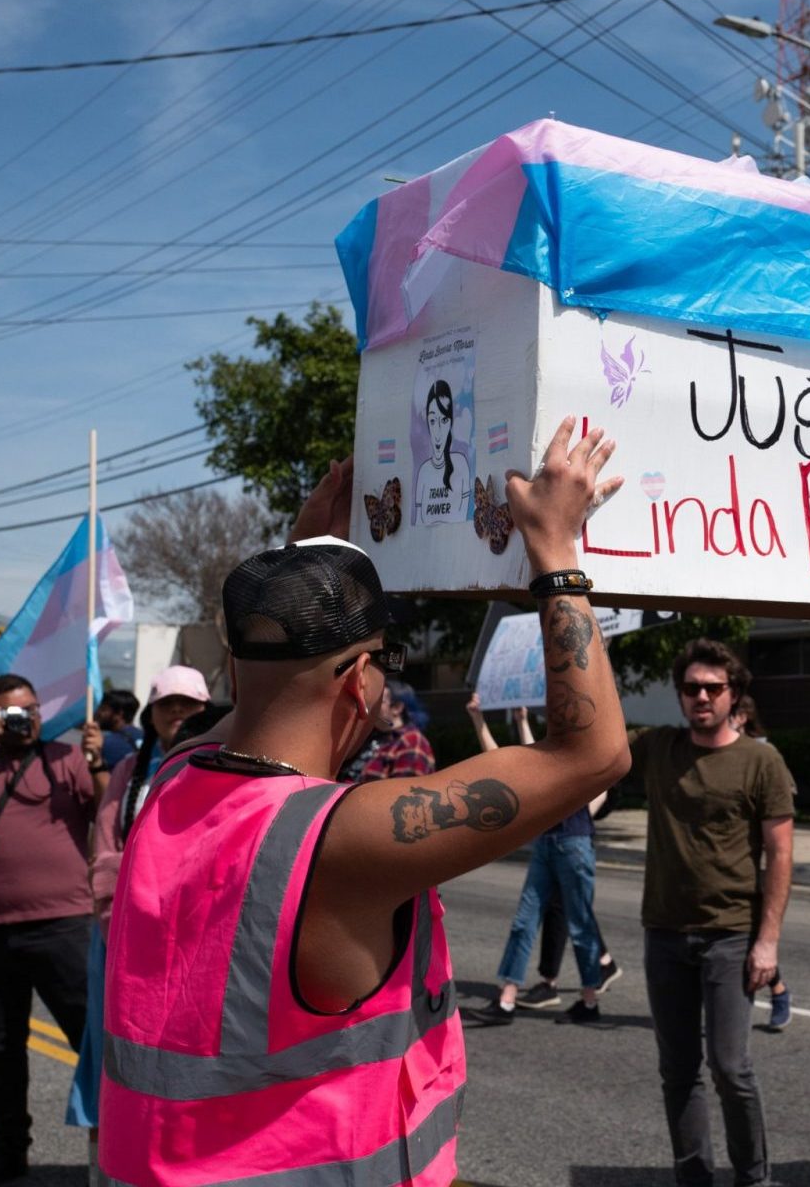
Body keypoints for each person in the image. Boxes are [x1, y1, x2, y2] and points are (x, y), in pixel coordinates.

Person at [97, 417, 632, 1184]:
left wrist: (299, 560)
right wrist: (555, 549)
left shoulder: (175, 780)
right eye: (386, 660)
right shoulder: (341, 841)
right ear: (358, 682)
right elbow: (593, 755)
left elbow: (257, 687)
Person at [628, 638, 795, 1187]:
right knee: (677, 1071)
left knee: (731, 1068)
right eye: (691, 687)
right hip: (665, 935)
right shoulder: (658, 749)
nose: (701, 696)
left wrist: (767, 941)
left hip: (729, 937)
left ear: (734, 694)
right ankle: (693, 1176)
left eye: (713, 687)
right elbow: (593, 742)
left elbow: (781, 855)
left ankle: (753, 1178)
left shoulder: (761, 761)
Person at [0, 674, 106, 1186]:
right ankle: (9, 1153)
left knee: (94, 1046)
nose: (26, 719)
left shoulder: (65, 758)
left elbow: (105, 811)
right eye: (12, 712)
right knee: (3, 1050)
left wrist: (97, 764)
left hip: (66, 927)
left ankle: (113, 1155)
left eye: (32, 709)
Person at [67, 666, 212, 1139]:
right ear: (150, 714)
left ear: (205, 711)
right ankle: (110, 1150)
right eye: (167, 704)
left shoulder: (226, 764)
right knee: (118, 1043)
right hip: (124, 934)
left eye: (187, 705)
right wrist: (116, 918)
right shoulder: (130, 771)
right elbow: (106, 849)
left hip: (199, 936)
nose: (177, 713)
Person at [463, 693, 621, 1026]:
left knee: (579, 924)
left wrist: (522, 724)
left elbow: (546, 770)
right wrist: (489, 720)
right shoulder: (550, 752)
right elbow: (511, 768)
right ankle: (506, 1001)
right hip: (547, 843)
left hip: (573, 843)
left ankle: (589, 1002)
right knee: (525, 920)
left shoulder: (577, 753)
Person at [730, 693, 794, 1033]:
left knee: (751, 933)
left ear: (742, 717)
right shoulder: (717, 751)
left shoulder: (764, 755)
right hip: (728, 860)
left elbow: (783, 803)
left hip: (754, 861)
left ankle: (779, 991)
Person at [340, 679, 437, 783]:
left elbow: (403, 791)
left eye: (378, 702)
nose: (368, 706)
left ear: (397, 708)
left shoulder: (411, 741)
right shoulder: (369, 737)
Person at [416, 379, 471, 523]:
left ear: (451, 422)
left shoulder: (461, 464)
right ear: (427, 422)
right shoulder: (423, 472)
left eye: (444, 420)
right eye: (433, 421)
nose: (438, 433)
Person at [95, 690, 142, 770]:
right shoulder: (151, 739)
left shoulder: (105, 743)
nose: (98, 713)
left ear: (119, 714)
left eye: (103, 709)